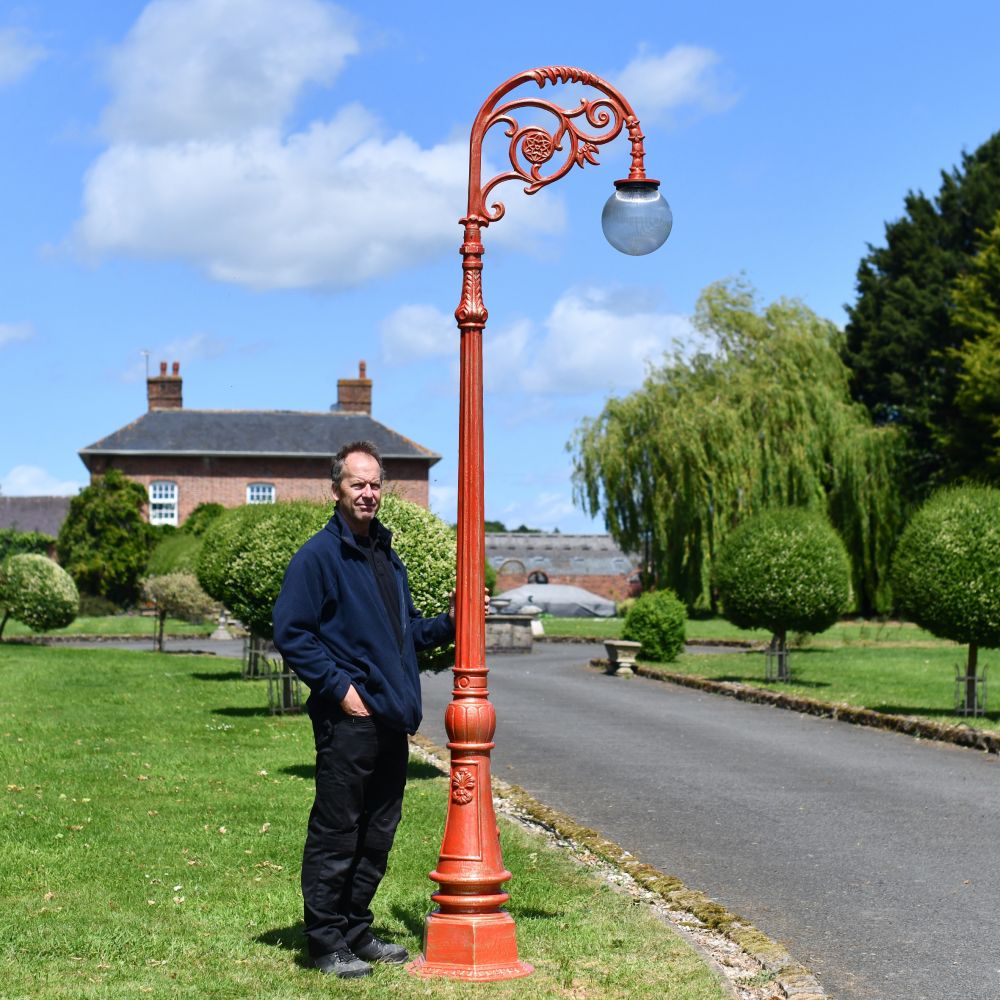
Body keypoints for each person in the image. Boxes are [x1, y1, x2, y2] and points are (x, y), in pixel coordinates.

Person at [273, 440, 457, 979]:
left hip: (391, 720)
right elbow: (294, 632)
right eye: (357, 484)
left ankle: (355, 929)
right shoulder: (318, 557)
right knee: (338, 830)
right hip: (349, 719)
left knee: (379, 831)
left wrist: (453, 620)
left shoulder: (384, 554)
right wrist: (342, 690)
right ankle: (326, 940)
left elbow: (406, 633)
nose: (368, 493)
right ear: (336, 490)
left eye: (375, 484)